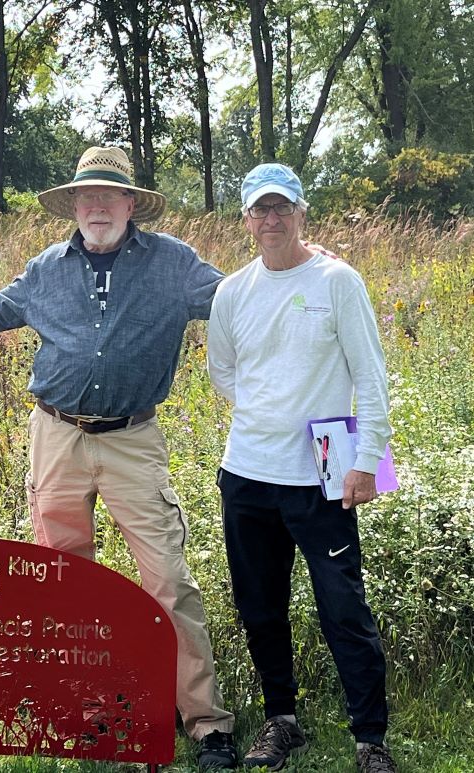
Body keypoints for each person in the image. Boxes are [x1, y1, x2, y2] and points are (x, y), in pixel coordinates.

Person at [0, 146, 238, 770]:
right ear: (73, 205)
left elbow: (239, 302)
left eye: (109, 195)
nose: (96, 205)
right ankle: (79, 708)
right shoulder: (46, 269)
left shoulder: (174, 265)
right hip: (56, 437)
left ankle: (205, 723)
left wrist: (304, 273)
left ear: (131, 204)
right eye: (85, 195)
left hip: (132, 439)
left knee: (168, 581)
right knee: (63, 578)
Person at [207, 163, 396, 773]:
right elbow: (224, 373)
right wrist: (272, 411)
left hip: (323, 475)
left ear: (301, 212)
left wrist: (366, 461)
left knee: (343, 607)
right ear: (245, 219)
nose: (271, 219)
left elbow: (370, 375)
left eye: (281, 207)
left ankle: (371, 740)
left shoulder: (338, 281)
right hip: (247, 473)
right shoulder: (232, 291)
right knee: (259, 606)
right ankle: (281, 722)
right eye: (260, 210)